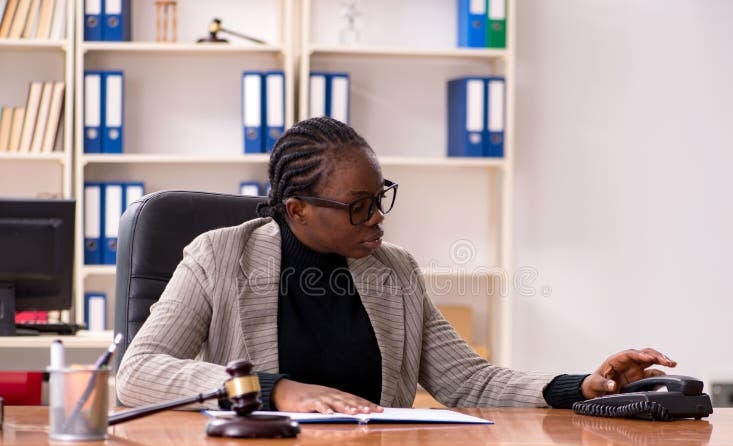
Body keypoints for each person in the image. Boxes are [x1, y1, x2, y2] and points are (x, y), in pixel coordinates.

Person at [116, 117, 676, 414]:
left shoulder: (395, 272)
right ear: (297, 210)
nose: (377, 218)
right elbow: (137, 373)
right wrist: (273, 389)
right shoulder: (220, 256)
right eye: (358, 207)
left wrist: (582, 385)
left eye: (380, 196)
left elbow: (468, 380)